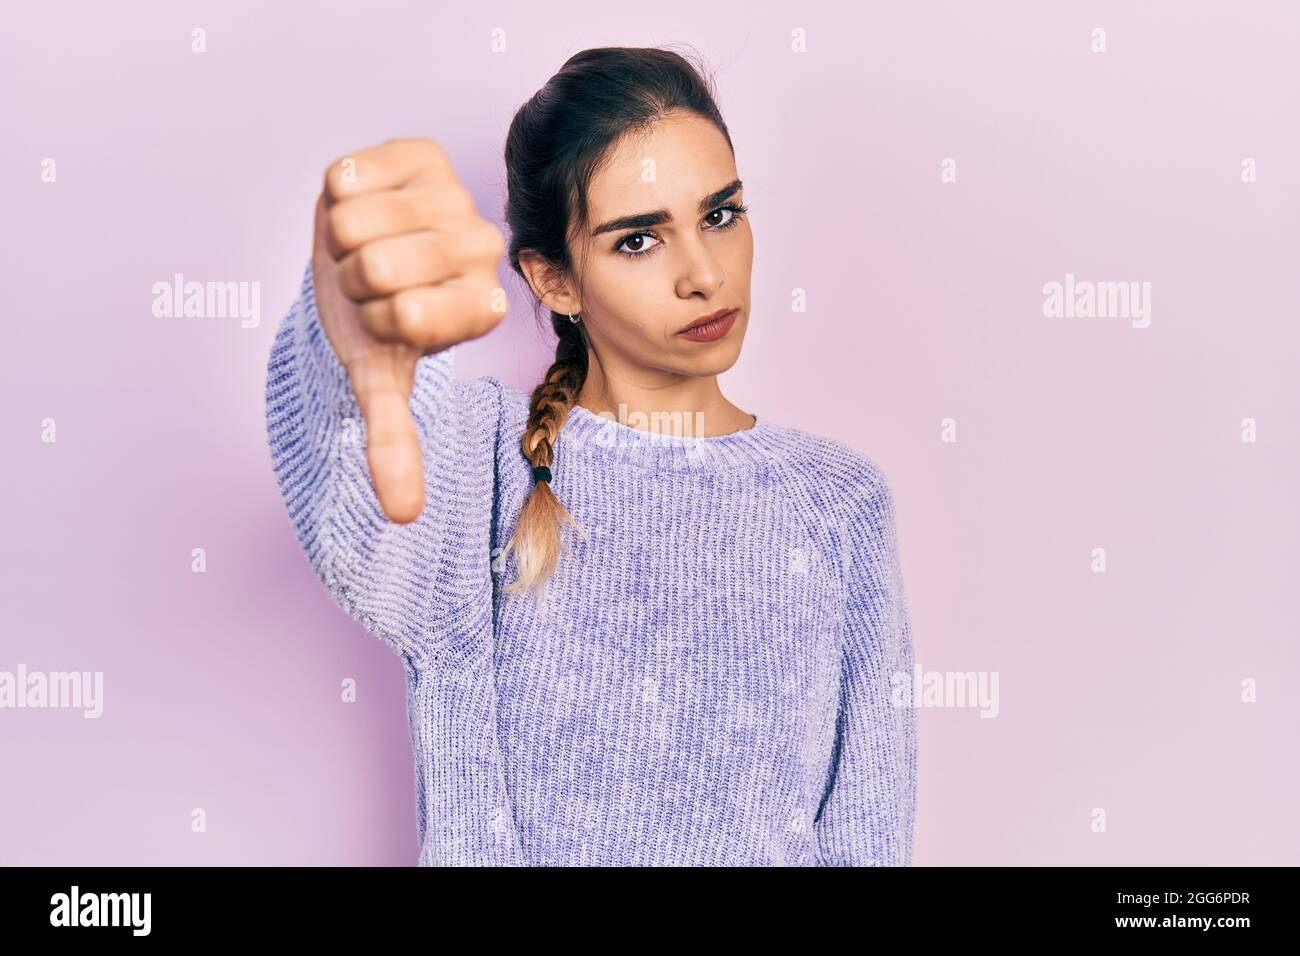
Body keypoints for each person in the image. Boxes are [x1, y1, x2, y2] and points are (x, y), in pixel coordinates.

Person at [265, 45, 916, 866]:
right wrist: (339, 339)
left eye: (720, 214)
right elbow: (358, 506)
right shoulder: (484, 462)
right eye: (639, 240)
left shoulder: (839, 503)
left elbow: (869, 833)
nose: (705, 274)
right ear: (554, 281)